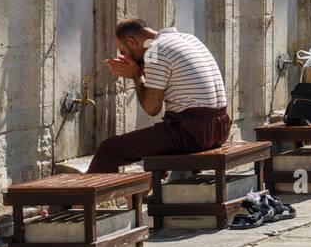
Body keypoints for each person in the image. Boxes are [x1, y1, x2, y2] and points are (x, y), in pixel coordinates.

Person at [87, 18, 231, 174]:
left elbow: (152, 108)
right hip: (221, 128)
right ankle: (137, 197)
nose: (124, 57)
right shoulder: (188, 38)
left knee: (108, 150)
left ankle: (83, 198)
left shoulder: (155, 50)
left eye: (123, 51)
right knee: (156, 152)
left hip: (193, 132)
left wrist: (136, 75)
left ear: (132, 42)